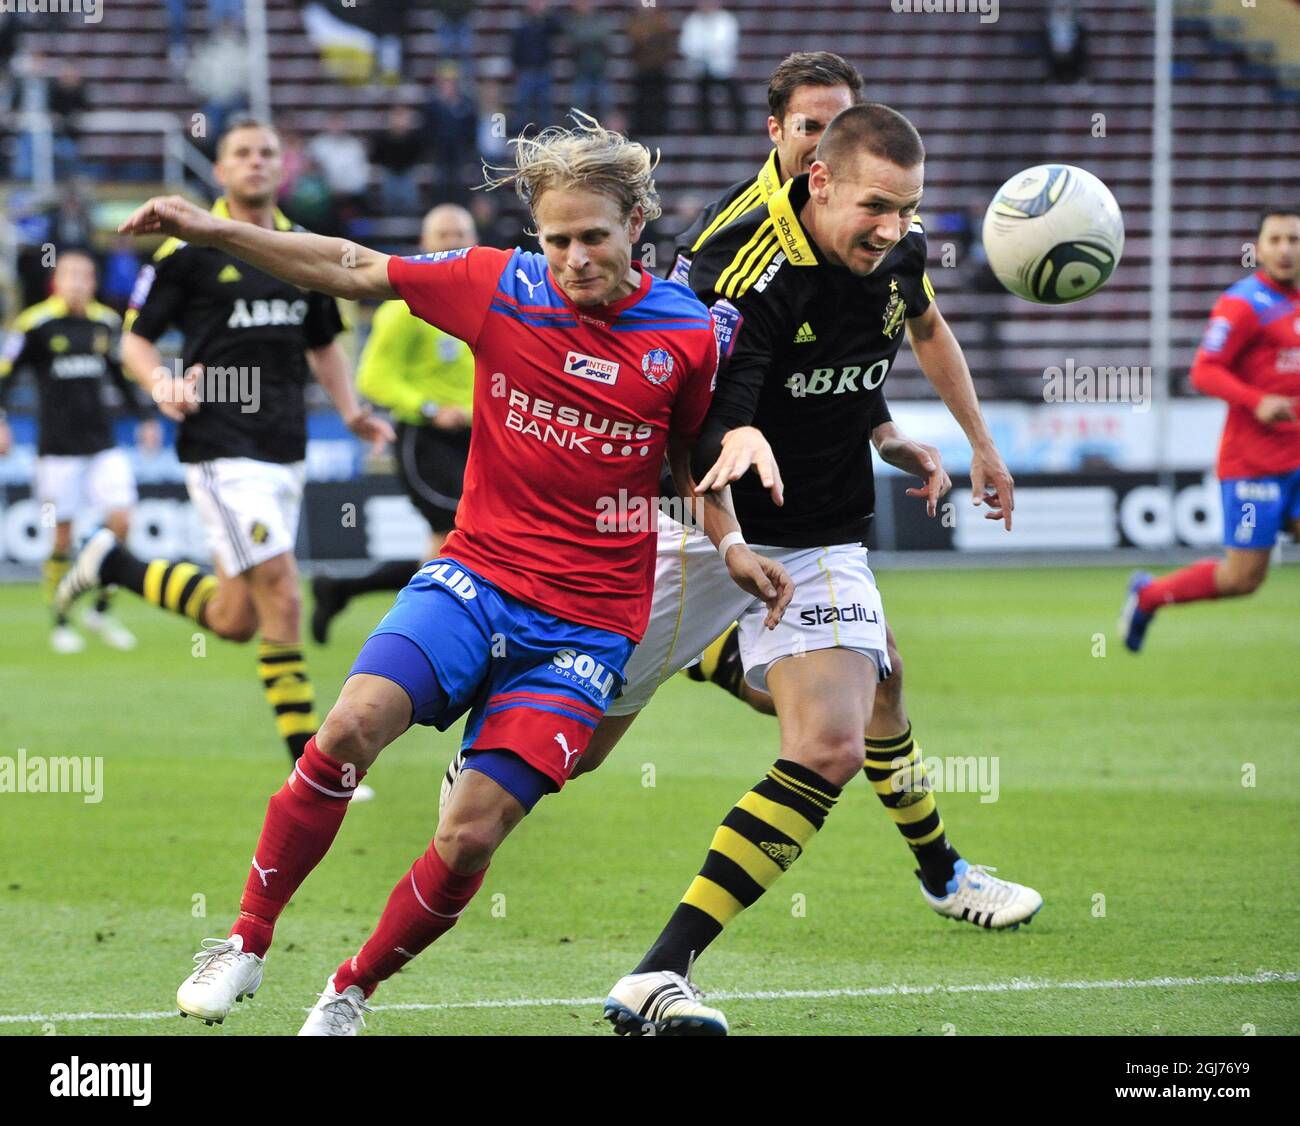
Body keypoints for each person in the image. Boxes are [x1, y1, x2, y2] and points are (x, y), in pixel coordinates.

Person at [113, 115, 788, 1034]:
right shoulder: (498, 287)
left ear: (636, 222)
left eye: (594, 236)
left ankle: (349, 991)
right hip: (477, 575)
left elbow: (687, 461)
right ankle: (245, 941)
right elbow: (350, 265)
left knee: (469, 834)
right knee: (349, 725)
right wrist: (213, 226)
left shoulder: (689, 335)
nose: (575, 258)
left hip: (591, 622)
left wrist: (733, 543)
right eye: (557, 240)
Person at [590, 103, 1035, 1035]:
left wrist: (957, 440)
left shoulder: (893, 253)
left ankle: (658, 973)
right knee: (570, 752)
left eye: (909, 210)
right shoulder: (747, 266)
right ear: (817, 179)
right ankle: (698, 658)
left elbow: (902, 336)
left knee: (839, 734)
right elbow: (705, 417)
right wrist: (736, 470)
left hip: (822, 533)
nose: (895, 229)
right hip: (711, 525)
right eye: (877, 206)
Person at [55, 119, 392, 782]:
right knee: (284, 595)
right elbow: (135, 339)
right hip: (219, 447)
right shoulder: (186, 252)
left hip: (285, 446)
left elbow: (322, 342)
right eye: (242, 153)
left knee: (236, 618)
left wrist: (351, 410)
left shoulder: (302, 249)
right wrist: (162, 383)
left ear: (281, 168)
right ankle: (316, 770)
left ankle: (113, 562)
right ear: (219, 169)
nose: (257, 162)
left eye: (268, 152)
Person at [1122, 209, 1300, 651]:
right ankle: (1148, 595)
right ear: (1258, 249)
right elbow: (1204, 371)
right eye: (1275, 239)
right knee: (1243, 579)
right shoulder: (1244, 304)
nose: (1285, 249)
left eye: (1294, 239)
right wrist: (1258, 402)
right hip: (1253, 467)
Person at [311, 204, 478, 643]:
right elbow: (372, 377)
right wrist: (427, 407)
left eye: (461, 233)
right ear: (424, 245)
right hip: (427, 441)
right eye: (443, 235)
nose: (453, 242)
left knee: (467, 539)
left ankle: (342, 588)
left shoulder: (486, 304)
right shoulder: (406, 308)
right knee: (456, 535)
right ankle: (423, 635)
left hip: (479, 438)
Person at [0, 250, 159, 653]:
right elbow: (5, 376)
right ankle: (61, 619)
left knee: (122, 521)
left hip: (103, 446)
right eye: (69, 275)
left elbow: (121, 378)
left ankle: (100, 611)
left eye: (85, 276)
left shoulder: (104, 323)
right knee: (61, 537)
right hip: (56, 451)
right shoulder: (34, 324)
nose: (77, 283)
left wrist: (145, 417)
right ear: (57, 280)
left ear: (93, 283)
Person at [679, 0, 744, 135]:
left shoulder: (726, 20)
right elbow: (687, 46)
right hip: (700, 70)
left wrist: (706, 51)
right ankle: (706, 130)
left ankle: (741, 129)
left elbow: (727, 42)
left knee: (735, 96)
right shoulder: (692, 21)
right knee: (702, 97)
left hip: (723, 69)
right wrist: (704, 53)